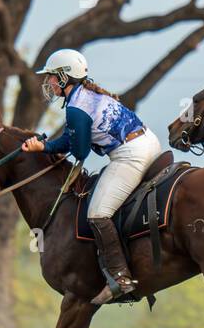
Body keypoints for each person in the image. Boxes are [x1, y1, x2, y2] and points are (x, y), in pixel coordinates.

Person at [22, 49, 163, 304]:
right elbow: (71, 138)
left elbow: (79, 149)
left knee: (97, 214)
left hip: (130, 155)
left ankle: (121, 277)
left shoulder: (76, 107)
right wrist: (44, 147)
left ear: (65, 78)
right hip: (149, 143)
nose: (49, 82)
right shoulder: (86, 96)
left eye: (53, 77)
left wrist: (48, 147)